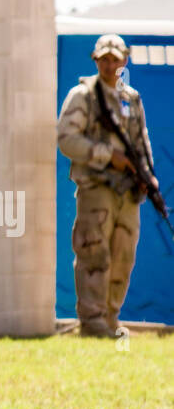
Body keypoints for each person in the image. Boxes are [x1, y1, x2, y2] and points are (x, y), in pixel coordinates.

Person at [57, 34, 158, 338]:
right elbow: (66, 139)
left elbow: (142, 142)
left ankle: (111, 319)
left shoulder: (131, 99)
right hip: (97, 187)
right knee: (93, 253)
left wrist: (148, 176)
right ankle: (92, 321)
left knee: (123, 255)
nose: (110, 64)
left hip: (127, 192)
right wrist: (105, 155)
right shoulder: (83, 95)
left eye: (115, 59)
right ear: (96, 60)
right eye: (104, 59)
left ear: (124, 60)